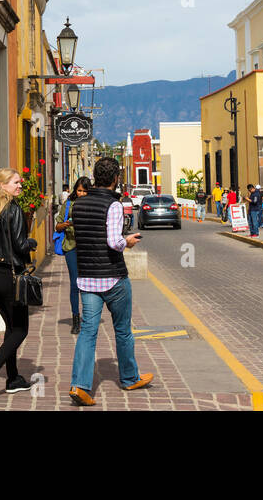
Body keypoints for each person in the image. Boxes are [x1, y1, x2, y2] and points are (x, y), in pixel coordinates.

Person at [69, 156, 153, 404]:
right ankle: (129, 378)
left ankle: (79, 385)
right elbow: (113, 241)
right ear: (116, 179)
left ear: (95, 177)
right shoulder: (114, 205)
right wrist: (128, 241)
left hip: (87, 280)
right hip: (113, 278)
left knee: (88, 333)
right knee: (123, 330)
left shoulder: (78, 205)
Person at [0, 168, 38, 400]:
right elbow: (20, 245)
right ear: (2, 185)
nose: (20, 186)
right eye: (15, 182)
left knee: (11, 327)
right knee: (21, 329)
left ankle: (13, 379)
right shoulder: (13, 210)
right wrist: (31, 241)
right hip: (11, 277)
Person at [54, 177, 90, 335]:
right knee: (75, 284)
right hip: (71, 247)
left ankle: (89, 317)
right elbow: (58, 225)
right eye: (79, 190)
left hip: (88, 249)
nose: (81, 193)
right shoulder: (68, 204)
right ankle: (76, 319)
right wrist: (66, 224)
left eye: (84, 191)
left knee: (88, 284)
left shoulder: (92, 204)